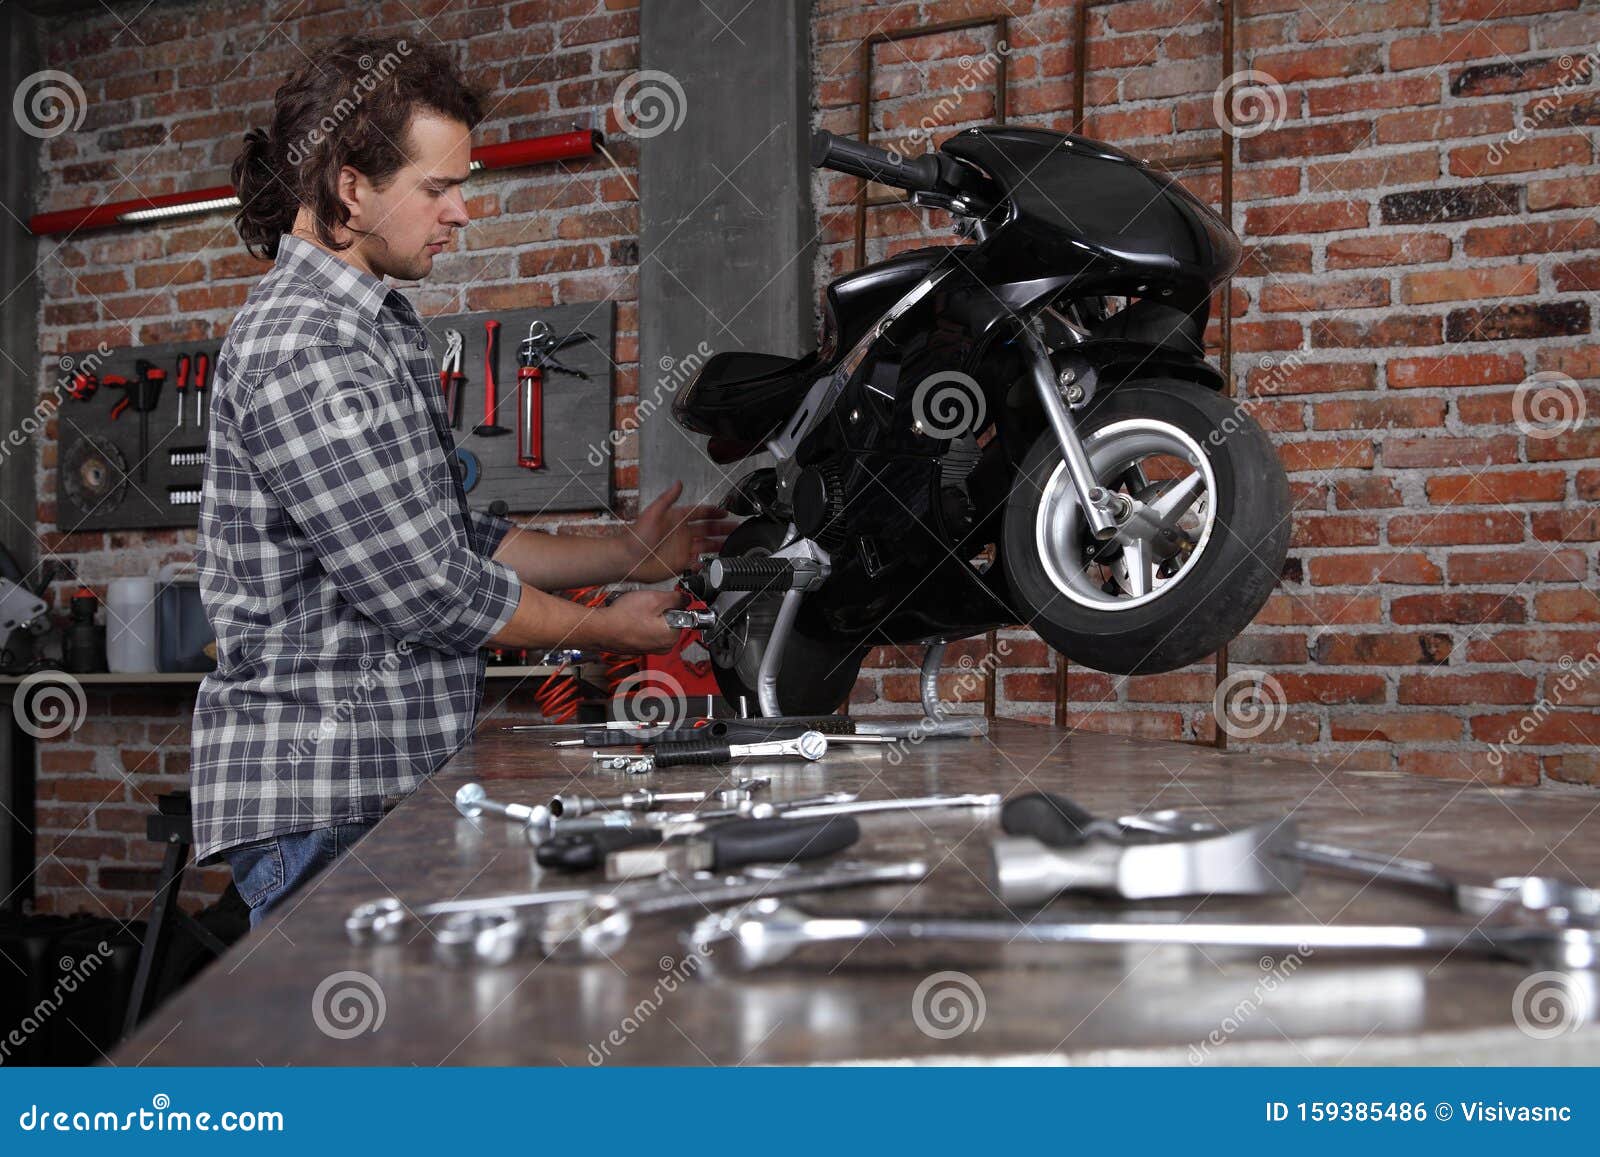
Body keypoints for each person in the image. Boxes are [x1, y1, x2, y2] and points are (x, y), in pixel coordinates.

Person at [190, 34, 727, 928]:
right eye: (438, 187)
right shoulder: (305, 343)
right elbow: (428, 586)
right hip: (329, 793)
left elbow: (454, 538)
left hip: (380, 786)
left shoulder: (371, 326)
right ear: (351, 188)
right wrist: (605, 630)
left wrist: (628, 553)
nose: (462, 212)